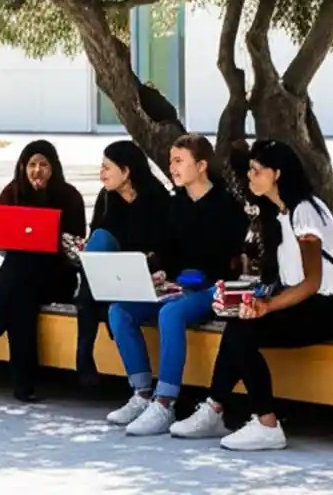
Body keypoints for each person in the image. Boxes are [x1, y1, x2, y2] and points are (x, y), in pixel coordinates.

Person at [179, 138, 333, 451]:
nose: (250, 177)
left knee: (245, 329)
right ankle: (215, 409)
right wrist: (247, 298)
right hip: (303, 302)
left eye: (257, 171)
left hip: (330, 307)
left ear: (277, 174)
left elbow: (312, 282)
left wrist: (268, 306)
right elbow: (285, 280)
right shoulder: (280, 215)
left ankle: (266, 423)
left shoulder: (305, 213)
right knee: (239, 321)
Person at [105, 133, 250, 436]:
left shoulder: (226, 206)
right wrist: (157, 272)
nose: (172, 167)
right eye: (171, 161)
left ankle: (165, 403)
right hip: (176, 287)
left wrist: (188, 277)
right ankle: (142, 393)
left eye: (179, 161)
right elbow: (167, 250)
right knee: (120, 310)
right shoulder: (176, 205)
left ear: (201, 165)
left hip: (212, 289)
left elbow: (227, 261)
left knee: (170, 315)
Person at [0, 140, 87, 402]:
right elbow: (1, 244)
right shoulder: (12, 192)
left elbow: (76, 249)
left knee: (20, 270)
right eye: (31, 165)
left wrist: (47, 232)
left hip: (58, 275)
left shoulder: (69, 196)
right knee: (21, 298)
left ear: (54, 168)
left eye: (43, 165)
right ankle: (23, 386)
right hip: (23, 277)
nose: (37, 171)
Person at [75, 140, 171, 386]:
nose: (102, 174)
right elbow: (97, 237)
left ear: (126, 171)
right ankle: (84, 351)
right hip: (107, 272)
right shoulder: (106, 198)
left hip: (144, 271)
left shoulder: (155, 197)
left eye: (107, 168)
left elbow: (162, 247)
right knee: (99, 241)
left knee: (89, 289)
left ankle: (84, 352)